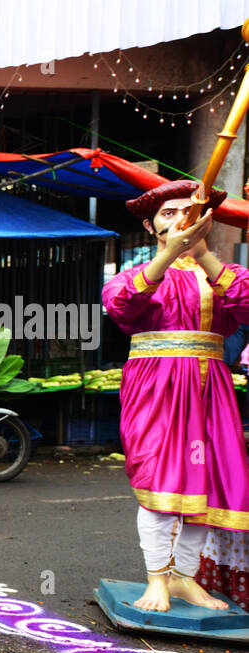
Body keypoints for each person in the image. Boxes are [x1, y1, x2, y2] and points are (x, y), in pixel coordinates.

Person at [102, 179, 249, 613]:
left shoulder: (221, 275)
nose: (180, 218)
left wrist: (201, 253)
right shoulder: (137, 276)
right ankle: (155, 580)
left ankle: (184, 579)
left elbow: (246, 305)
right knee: (159, 484)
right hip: (156, 387)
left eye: (188, 211)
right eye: (169, 213)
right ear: (150, 227)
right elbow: (121, 306)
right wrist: (171, 253)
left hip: (211, 388)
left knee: (205, 488)